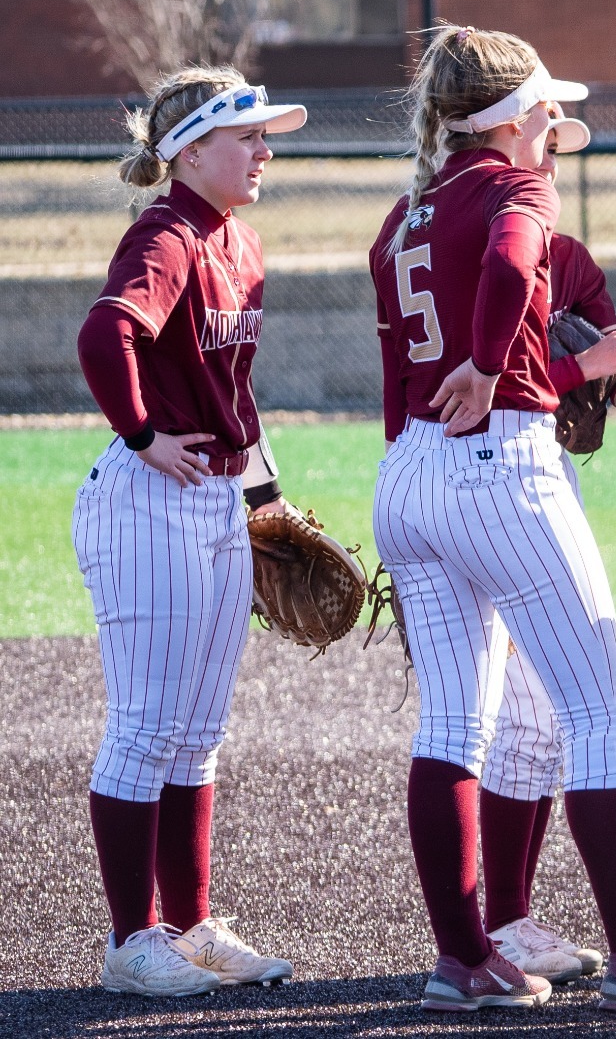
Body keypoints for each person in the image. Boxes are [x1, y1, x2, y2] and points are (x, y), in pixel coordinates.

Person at [369, 23, 616, 1014]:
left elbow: (397, 370)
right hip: (503, 467)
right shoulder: (512, 187)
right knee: (592, 716)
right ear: (515, 117)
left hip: (410, 468)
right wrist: (494, 363)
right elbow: (505, 265)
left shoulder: (404, 213)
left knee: (453, 719)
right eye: (543, 115)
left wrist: (435, 437)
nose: (551, 135)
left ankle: (464, 954)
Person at [73, 66, 308, 998]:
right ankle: (133, 941)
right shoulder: (167, 233)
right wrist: (141, 433)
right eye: (246, 135)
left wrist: (265, 498)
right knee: (143, 728)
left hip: (212, 498)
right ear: (190, 150)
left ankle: (191, 925)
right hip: (148, 498)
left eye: (264, 136)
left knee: (196, 734)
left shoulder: (238, 241)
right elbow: (105, 336)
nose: (264, 151)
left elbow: (233, 396)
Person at [467, 104, 616, 984]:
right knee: (523, 717)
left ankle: (502, 923)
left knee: (534, 722)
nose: (551, 159)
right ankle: (501, 923)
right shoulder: (476, 251)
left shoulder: (568, 257)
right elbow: (504, 384)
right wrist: (573, 373)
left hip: (542, 479)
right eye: (544, 140)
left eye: (557, 148)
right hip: (493, 481)